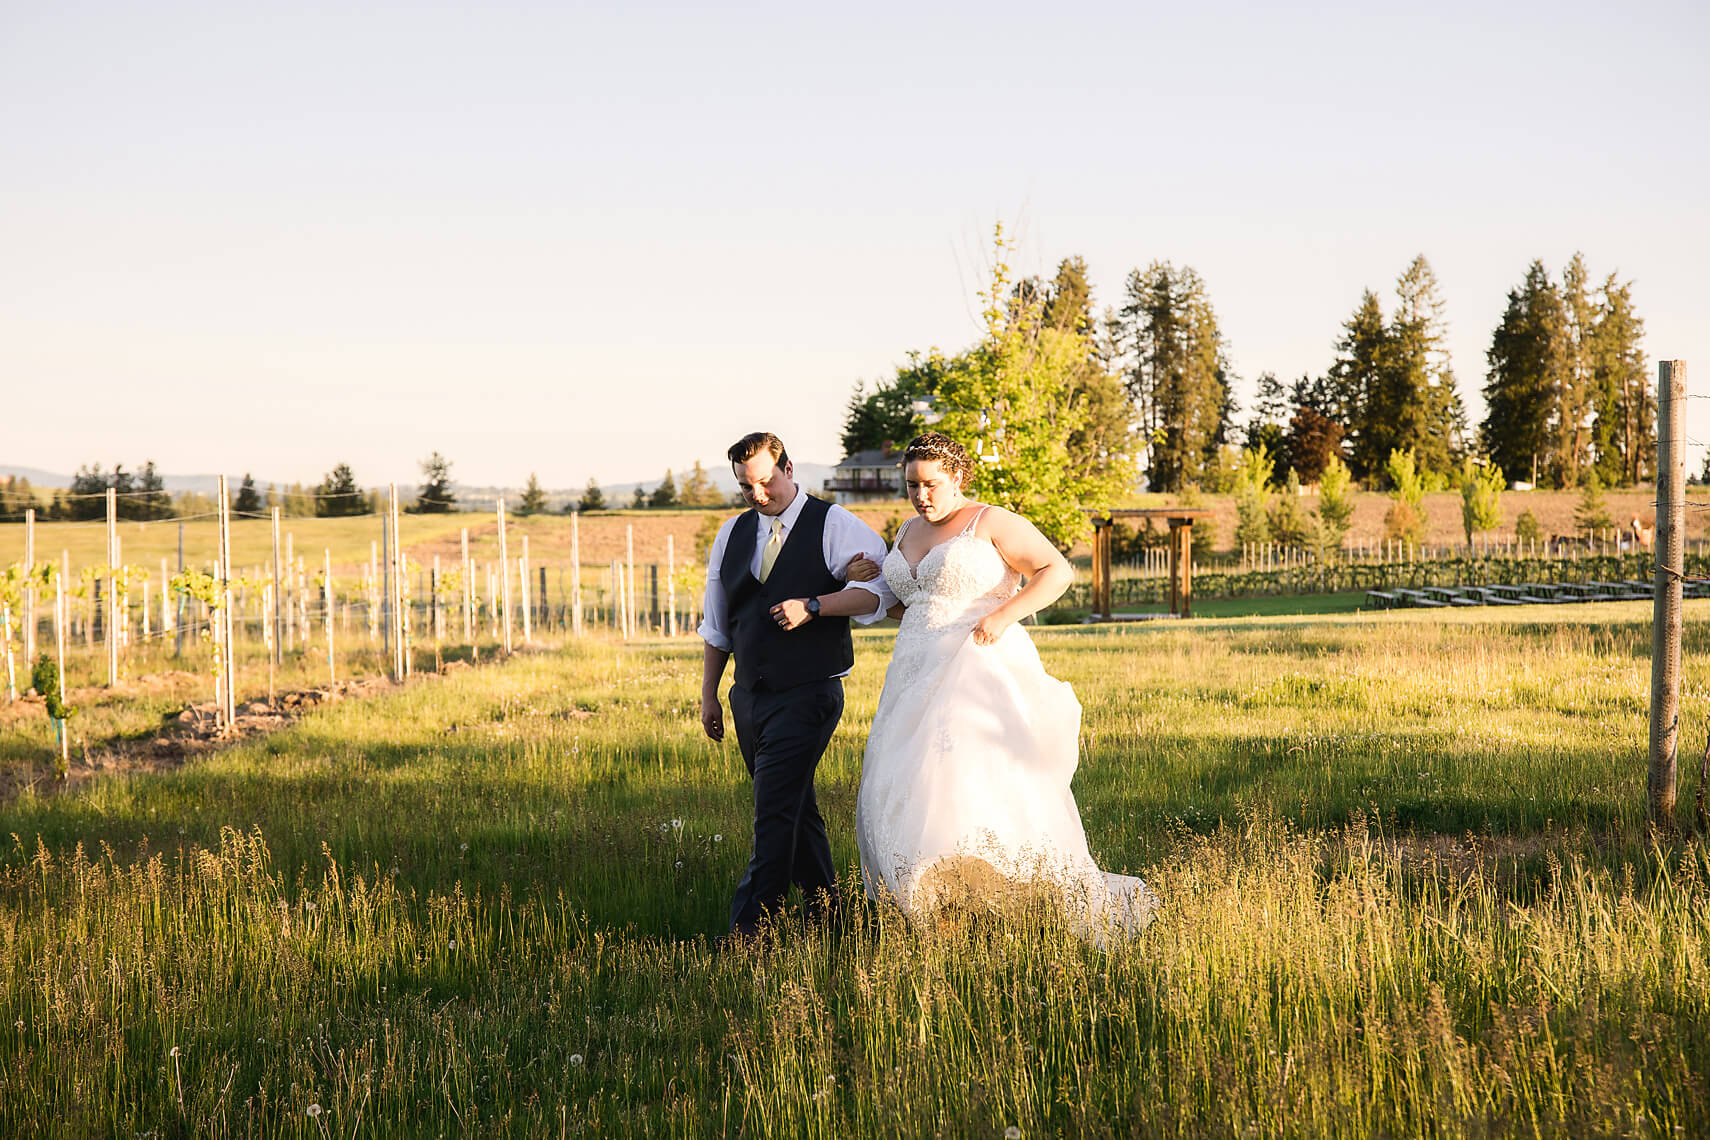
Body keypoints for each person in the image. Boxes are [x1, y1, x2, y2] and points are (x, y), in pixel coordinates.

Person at [848, 431, 1158, 936]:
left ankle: (1008, 893)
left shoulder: (990, 521)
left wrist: (1004, 616)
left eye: (931, 484)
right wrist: (867, 575)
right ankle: (935, 904)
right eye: (912, 485)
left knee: (964, 774)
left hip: (977, 660)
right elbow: (911, 606)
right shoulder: (906, 531)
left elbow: (1056, 571)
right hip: (913, 669)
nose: (921, 495)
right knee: (904, 778)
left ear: (959, 478)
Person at [699, 431, 896, 937]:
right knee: (794, 807)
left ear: (788, 468)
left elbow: (882, 592)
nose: (758, 495)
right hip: (748, 697)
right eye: (747, 487)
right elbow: (718, 624)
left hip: (810, 690)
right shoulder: (732, 534)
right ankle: (832, 919)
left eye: (766, 482)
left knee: (773, 811)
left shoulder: (834, 524)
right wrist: (709, 695)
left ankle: (749, 935)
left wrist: (817, 603)